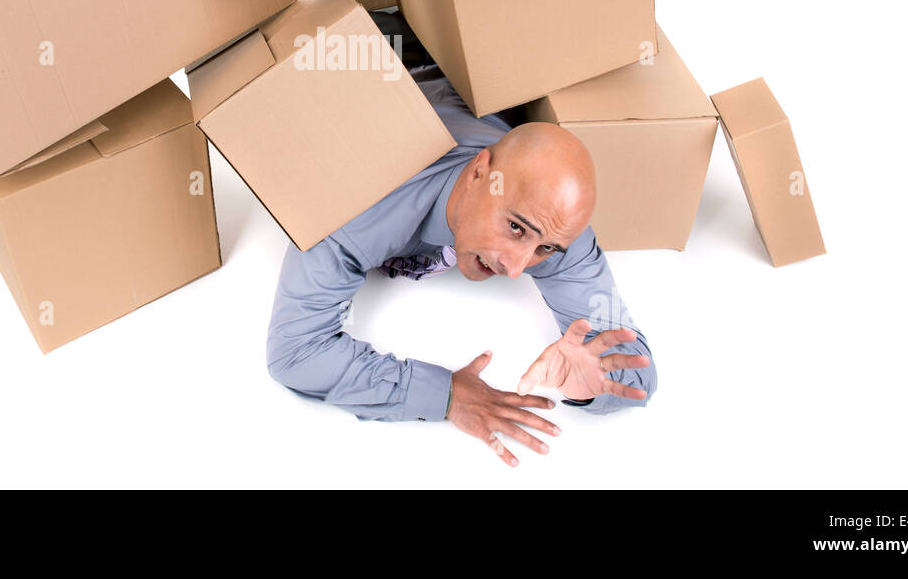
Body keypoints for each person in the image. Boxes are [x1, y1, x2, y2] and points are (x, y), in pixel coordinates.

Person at [266, 52, 657, 467]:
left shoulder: (555, 219)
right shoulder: (356, 209)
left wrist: (589, 383)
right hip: (371, 55)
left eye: (544, 249)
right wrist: (445, 394)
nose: (516, 268)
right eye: (516, 229)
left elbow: (638, 369)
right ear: (477, 173)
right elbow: (295, 353)